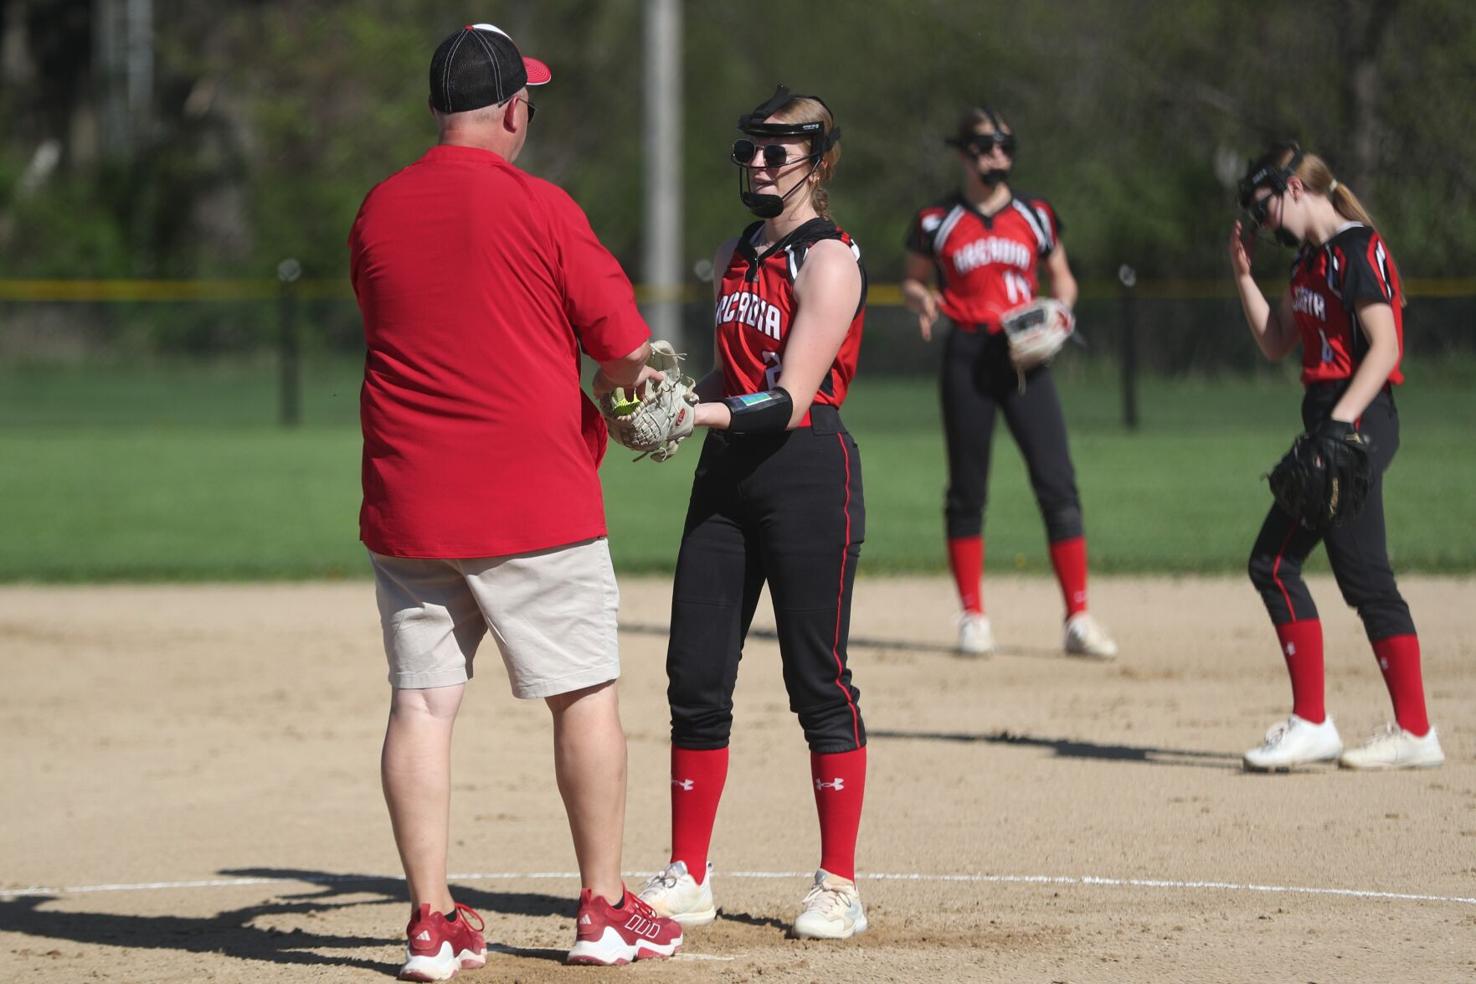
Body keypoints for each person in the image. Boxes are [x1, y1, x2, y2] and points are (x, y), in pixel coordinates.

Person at [348, 24, 681, 978]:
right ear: (512, 111)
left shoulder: (377, 210)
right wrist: (629, 402)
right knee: (582, 695)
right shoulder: (543, 208)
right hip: (534, 500)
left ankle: (430, 921)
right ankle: (604, 911)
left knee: (420, 705)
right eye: (526, 99)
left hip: (409, 499)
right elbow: (621, 347)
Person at [634, 85, 870, 941]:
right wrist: (672, 398)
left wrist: (697, 416)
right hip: (728, 475)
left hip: (807, 471)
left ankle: (838, 885)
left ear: (819, 160)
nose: (759, 162)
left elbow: (792, 398)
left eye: (778, 150)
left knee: (817, 680)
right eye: (751, 149)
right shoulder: (740, 249)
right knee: (695, 675)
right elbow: (735, 381)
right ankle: (689, 874)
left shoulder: (831, 259)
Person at [1230, 142, 1443, 772]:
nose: (1261, 223)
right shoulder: (1309, 264)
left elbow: (1385, 348)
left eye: (1262, 207)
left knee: (1273, 564)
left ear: (1294, 189)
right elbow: (1275, 342)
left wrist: (1338, 429)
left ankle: (1317, 723)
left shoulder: (1357, 249)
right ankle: (1410, 730)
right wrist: (1243, 276)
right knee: (1363, 577)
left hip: (1357, 424)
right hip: (1334, 428)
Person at [900, 106, 1117, 658]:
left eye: (1006, 145)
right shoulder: (936, 220)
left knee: (1057, 482)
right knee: (967, 489)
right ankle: (973, 616)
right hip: (968, 353)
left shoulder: (1037, 215)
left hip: (1026, 358)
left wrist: (1061, 314)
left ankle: (1079, 617)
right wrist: (920, 298)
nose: (999, 154)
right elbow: (913, 280)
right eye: (988, 145)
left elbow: (1062, 279)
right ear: (964, 153)